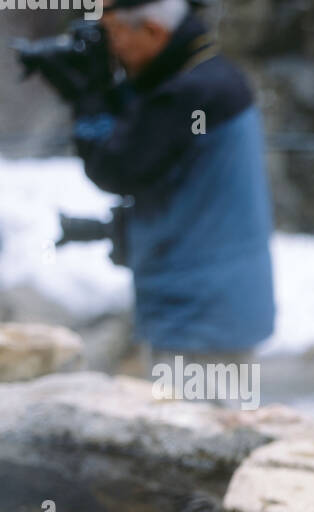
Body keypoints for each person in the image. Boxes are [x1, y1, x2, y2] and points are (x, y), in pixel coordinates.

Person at [72, 0, 275, 362]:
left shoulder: (189, 95)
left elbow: (114, 168)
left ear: (152, 30)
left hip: (198, 312)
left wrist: (87, 100)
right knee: (213, 412)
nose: (111, 46)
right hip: (215, 301)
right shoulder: (209, 74)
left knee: (193, 416)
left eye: (114, 32)